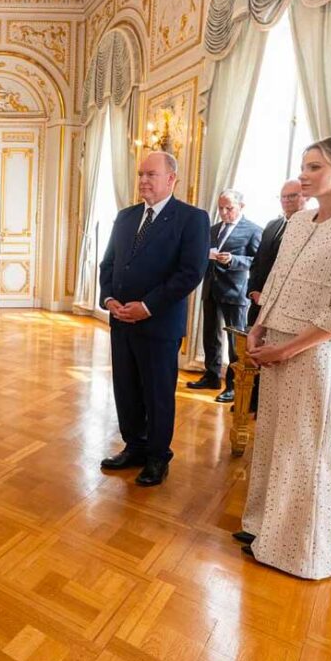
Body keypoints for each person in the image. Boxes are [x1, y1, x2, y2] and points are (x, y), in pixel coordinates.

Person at [237, 137, 331, 580]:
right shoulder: (301, 222)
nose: (304, 174)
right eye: (304, 165)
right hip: (275, 343)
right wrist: (260, 327)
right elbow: (277, 279)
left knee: (305, 449)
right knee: (271, 442)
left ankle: (300, 552)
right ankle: (262, 530)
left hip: (315, 352)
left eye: (315, 167)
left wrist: (286, 348)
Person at [98, 151, 209, 486]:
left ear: (171, 179)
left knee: (157, 392)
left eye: (151, 175)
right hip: (121, 321)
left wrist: (146, 306)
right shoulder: (126, 216)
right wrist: (109, 299)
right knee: (126, 388)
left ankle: (158, 456)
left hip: (158, 324)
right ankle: (135, 446)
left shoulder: (192, 219)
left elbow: (190, 273)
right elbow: (109, 265)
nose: (143, 181)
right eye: (141, 174)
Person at [186, 189, 261, 403]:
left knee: (235, 341)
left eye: (229, 208)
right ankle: (211, 376)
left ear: (241, 207)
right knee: (210, 336)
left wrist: (233, 260)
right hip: (210, 288)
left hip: (236, 292)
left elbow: (256, 262)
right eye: (221, 208)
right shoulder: (212, 229)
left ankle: (233, 386)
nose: (224, 212)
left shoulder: (254, 230)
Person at [246, 179, 306, 327]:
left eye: (292, 196)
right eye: (283, 196)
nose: (286, 200)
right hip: (259, 302)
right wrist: (254, 291)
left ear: (306, 196)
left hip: (287, 306)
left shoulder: (313, 227)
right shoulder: (272, 225)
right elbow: (257, 261)